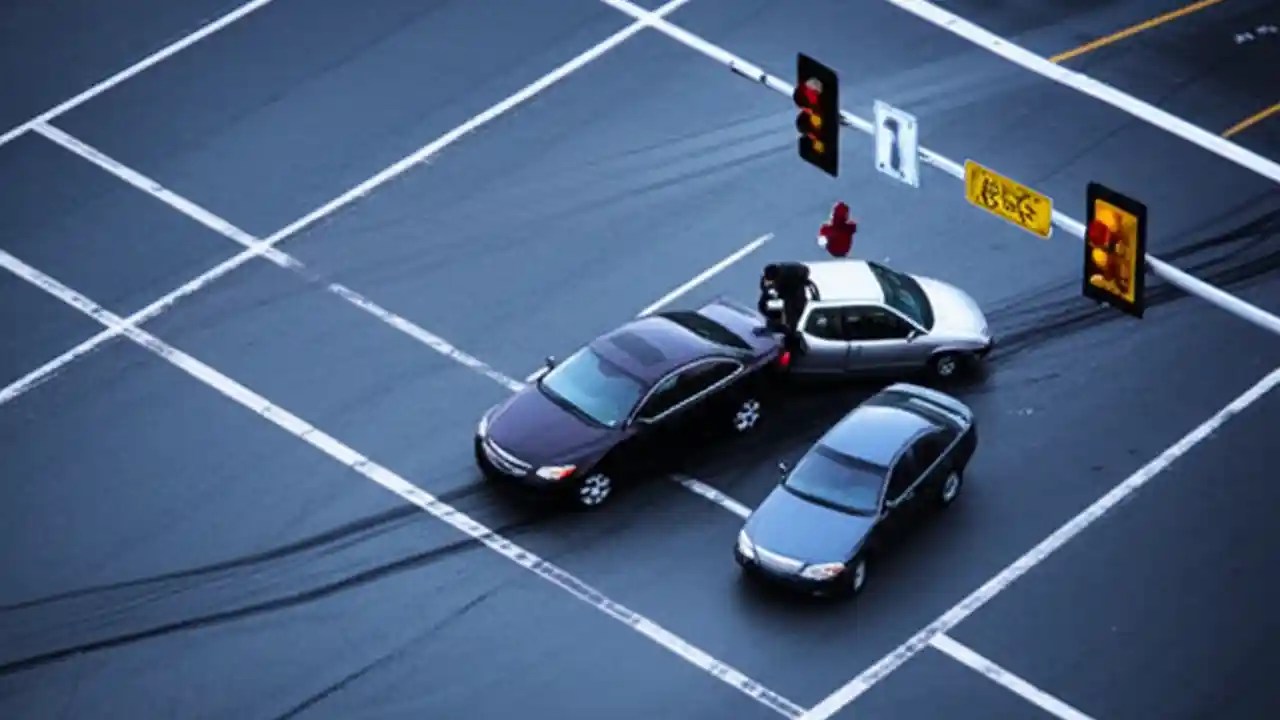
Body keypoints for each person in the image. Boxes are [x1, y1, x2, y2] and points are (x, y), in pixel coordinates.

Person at [755, 262, 812, 354]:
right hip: (785, 294)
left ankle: (790, 335)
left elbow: (803, 272)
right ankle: (778, 325)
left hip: (793, 296)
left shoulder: (790, 274)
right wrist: (768, 291)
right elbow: (765, 287)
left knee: (791, 316)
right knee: (762, 306)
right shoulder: (771, 277)